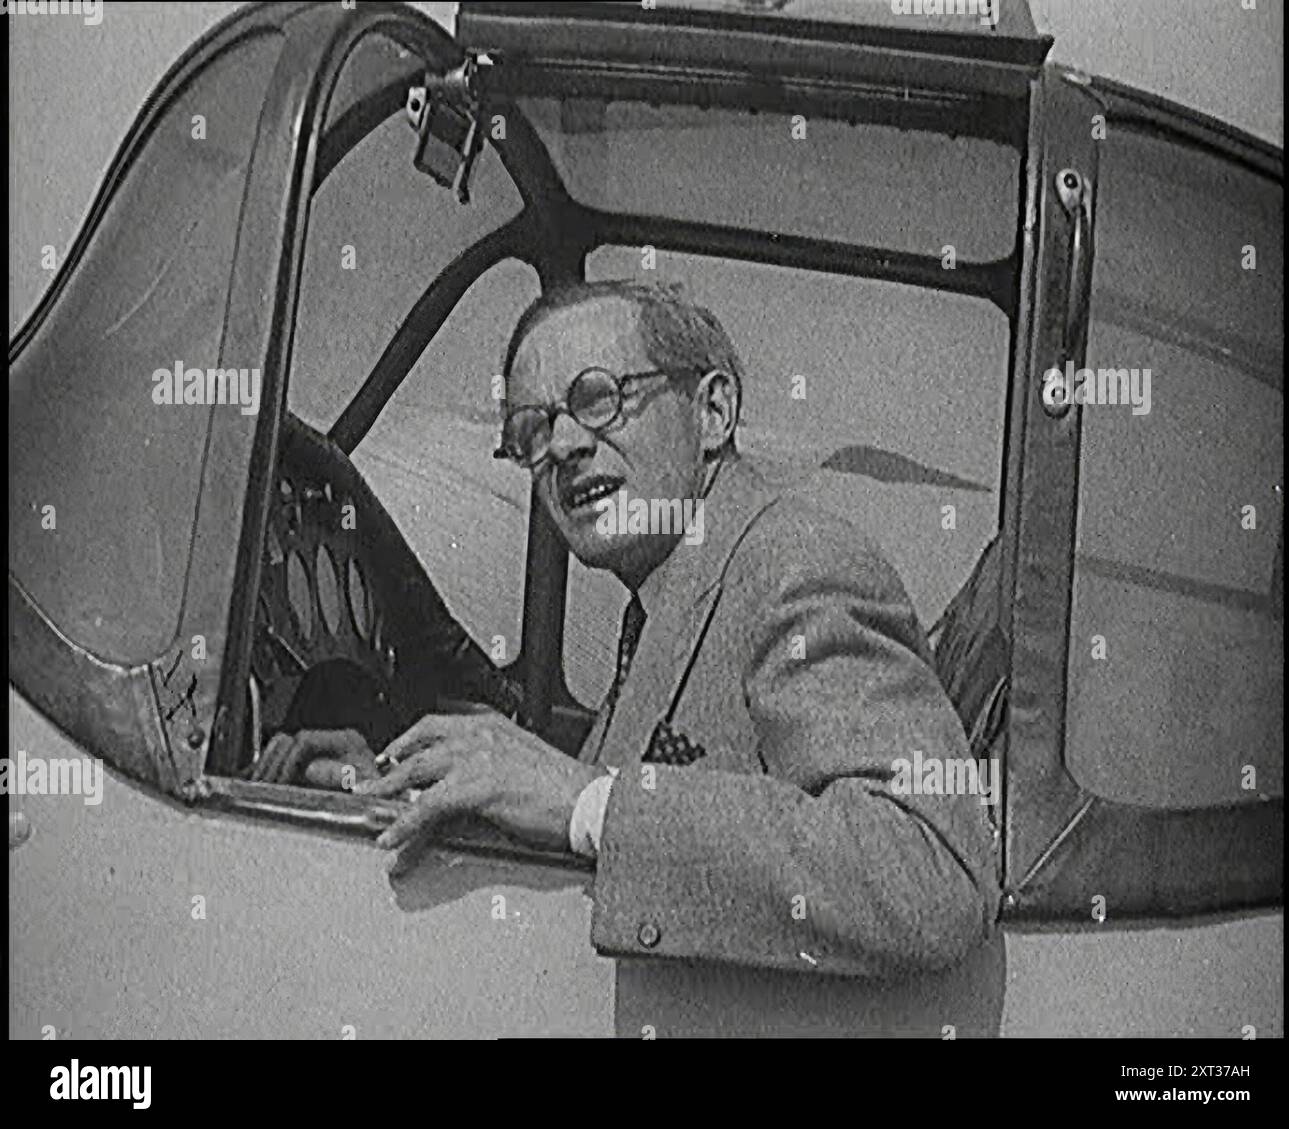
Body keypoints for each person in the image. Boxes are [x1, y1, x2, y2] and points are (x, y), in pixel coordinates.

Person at [264, 279, 1000, 981]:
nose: (563, 444)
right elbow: (588, 839)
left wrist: (589, 800)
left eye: (599, 398)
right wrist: (394, 785)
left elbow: (927, 869)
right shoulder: (663, 601)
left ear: (711, 413)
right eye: (532, 429)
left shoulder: (794, 565)